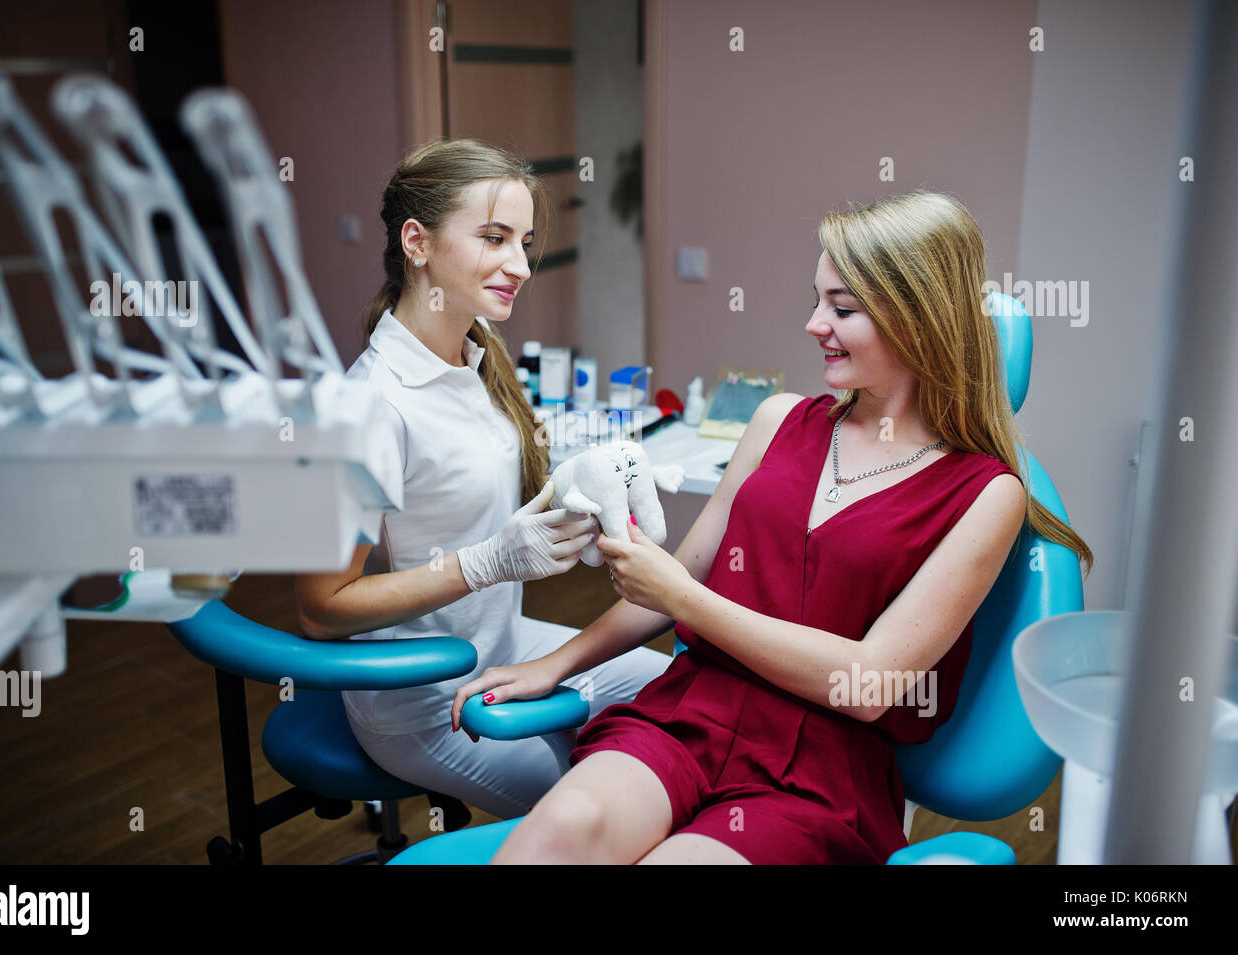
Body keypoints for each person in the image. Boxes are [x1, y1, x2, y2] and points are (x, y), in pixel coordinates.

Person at [450, 189, 1094, 863]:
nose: (815, 324)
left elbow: (870, 684)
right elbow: (680, 577)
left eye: (842, 308)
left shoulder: (987, 494)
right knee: (560, 829)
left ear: (918, 317)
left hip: (818, 768)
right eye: (817, 301)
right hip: (689, 714)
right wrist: (553, 664)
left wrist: (682, 598)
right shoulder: (778, 421)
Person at [293, 138, 671, 819]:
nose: (520, 265)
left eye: (524, 242)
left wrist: (580, 481)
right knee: (621, 810)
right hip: (423, 696)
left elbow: (472, 489)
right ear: (417, 242)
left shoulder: (474, 354)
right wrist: (484, 563)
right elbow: (321, 609)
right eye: (494, 238)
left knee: (689, 696)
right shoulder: (371, 407)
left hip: (505, 645)